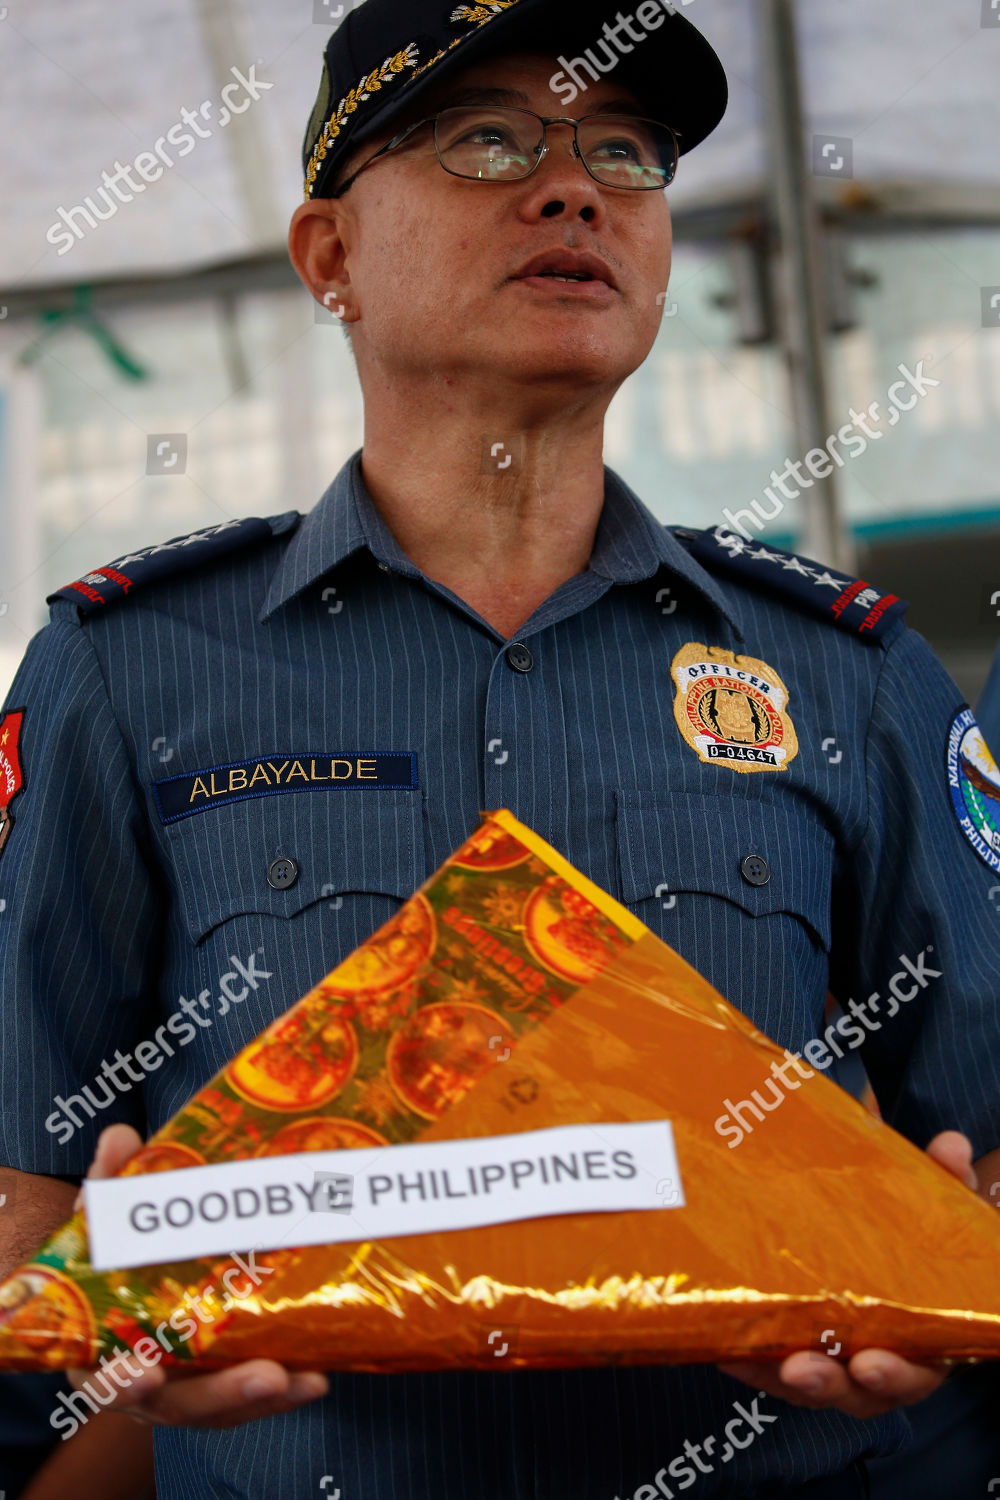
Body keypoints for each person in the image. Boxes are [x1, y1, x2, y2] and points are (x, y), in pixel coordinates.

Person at [1, 1, 999, 1496]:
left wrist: (935, 1287)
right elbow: (24, 1186)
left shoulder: (847, 673)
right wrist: (110, 1349)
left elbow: (984, 1152)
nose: (575, 187)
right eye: (486, 139)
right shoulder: (124, 667)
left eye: (626, 151)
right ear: (330, 254)